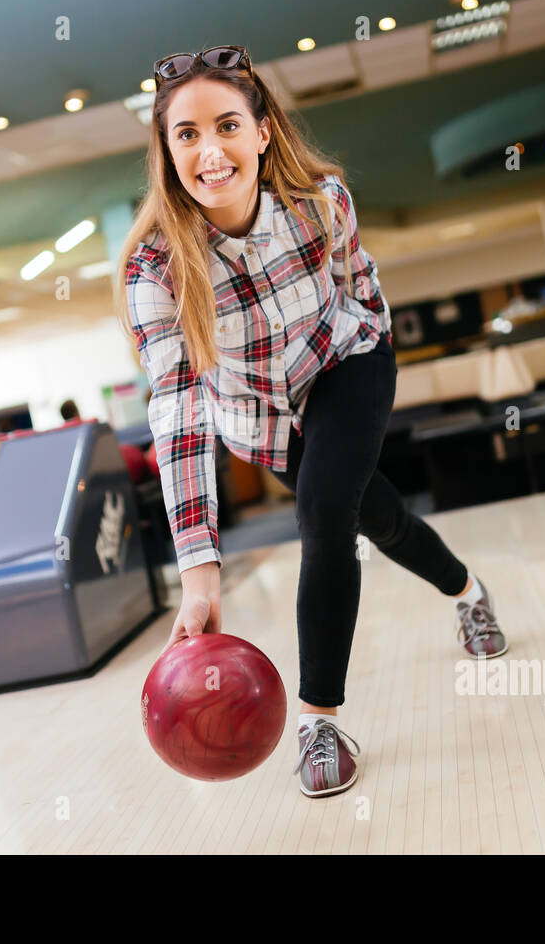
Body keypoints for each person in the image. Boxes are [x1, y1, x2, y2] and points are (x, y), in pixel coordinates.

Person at [114, 45, 508, 799]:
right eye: (187, 134)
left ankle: (319, 721)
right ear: (167, 153)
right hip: (260, 414)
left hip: (344, 359)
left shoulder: (319, 201)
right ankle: (468, 593)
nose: (210, 150)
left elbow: (361, 284)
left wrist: (372, 353)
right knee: (375, 515)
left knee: (326, 509)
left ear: (262, 133)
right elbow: (177, 412)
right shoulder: (155, 271)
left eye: (227, 125)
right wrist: (199, 573)